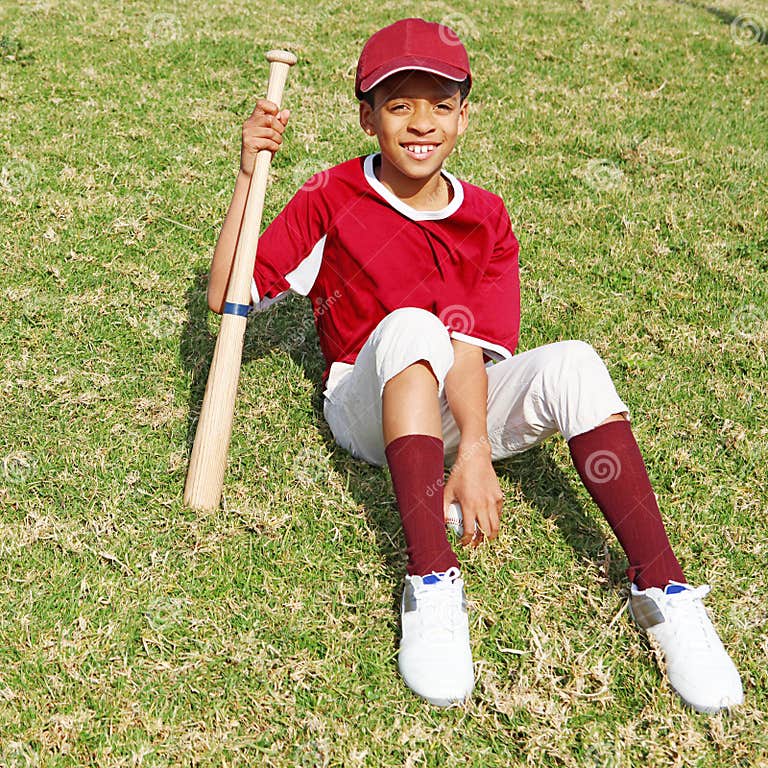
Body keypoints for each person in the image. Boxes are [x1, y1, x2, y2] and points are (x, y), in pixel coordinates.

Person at [206, 18, 743, 713]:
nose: (420, 123)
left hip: (454, 397)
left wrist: (477, 448)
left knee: (574, 362)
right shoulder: (330, 195)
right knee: (410, 326)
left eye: (440, 104)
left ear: (465, 115)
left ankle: (663, 591)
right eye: (398, 105)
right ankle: (431, 578)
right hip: (368, 408)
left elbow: (473, 346)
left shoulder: (486, 215)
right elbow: (229, 295)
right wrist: (249, 174)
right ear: (367, 117)